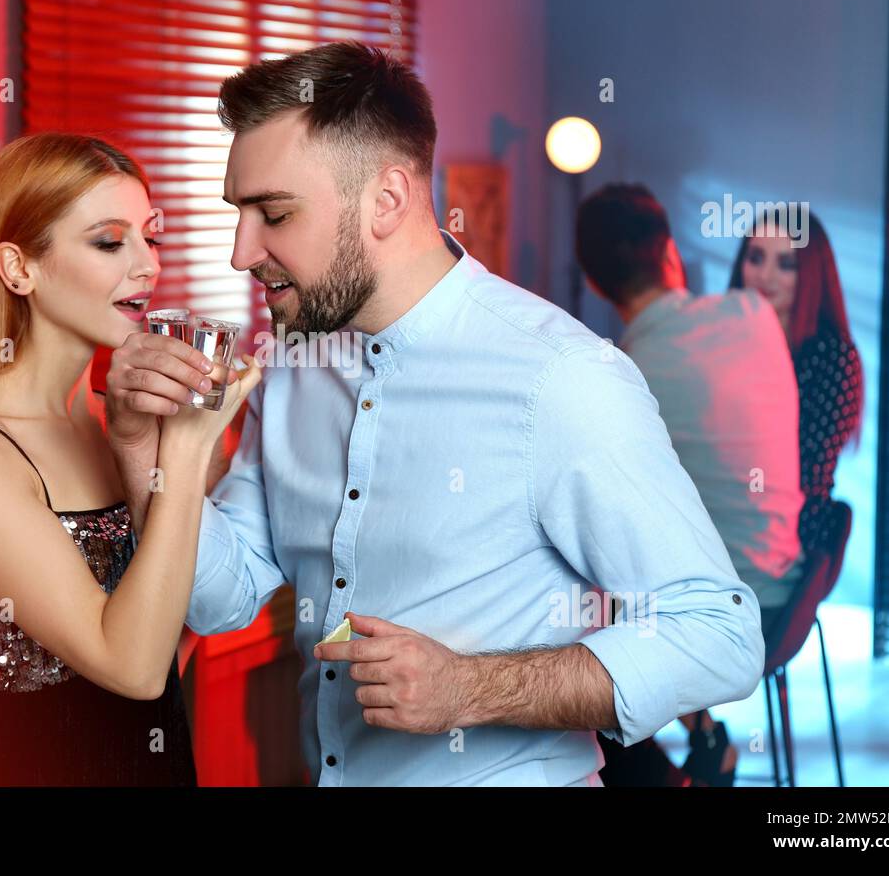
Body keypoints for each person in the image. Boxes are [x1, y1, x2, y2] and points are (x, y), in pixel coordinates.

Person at [104, 42, 765, 786]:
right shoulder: (291, 365)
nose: (239, 252)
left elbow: (720, 635)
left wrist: (470, 688)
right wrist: (137, 447)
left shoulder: (563, 378)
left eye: (274, 214)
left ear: (386, 200)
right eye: (239, 213)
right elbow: (218, 598)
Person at [0, 132, 260, 785]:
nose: (148, 266)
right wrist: (183, 453)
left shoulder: (113, 425)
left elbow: (166, 649)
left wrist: (160, 451)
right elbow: (131, 666)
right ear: (19, 268)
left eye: (152, 238)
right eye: (108, 242)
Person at [575, 183, 806, 786]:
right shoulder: (754, 313)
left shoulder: (621, 375)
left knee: (567, 634)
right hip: (784, 584)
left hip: (718, 608)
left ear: (595, 282)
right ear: (670, 252)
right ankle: (704, 747)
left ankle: (675, 776)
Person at [728, 212, 864, 561]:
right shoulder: (725, 341)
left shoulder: (832, 355)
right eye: (755, 258)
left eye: (786, 264)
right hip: (725, 518)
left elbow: (807, 476)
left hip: (789, 538)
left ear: (811, 274)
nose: (765, 276)